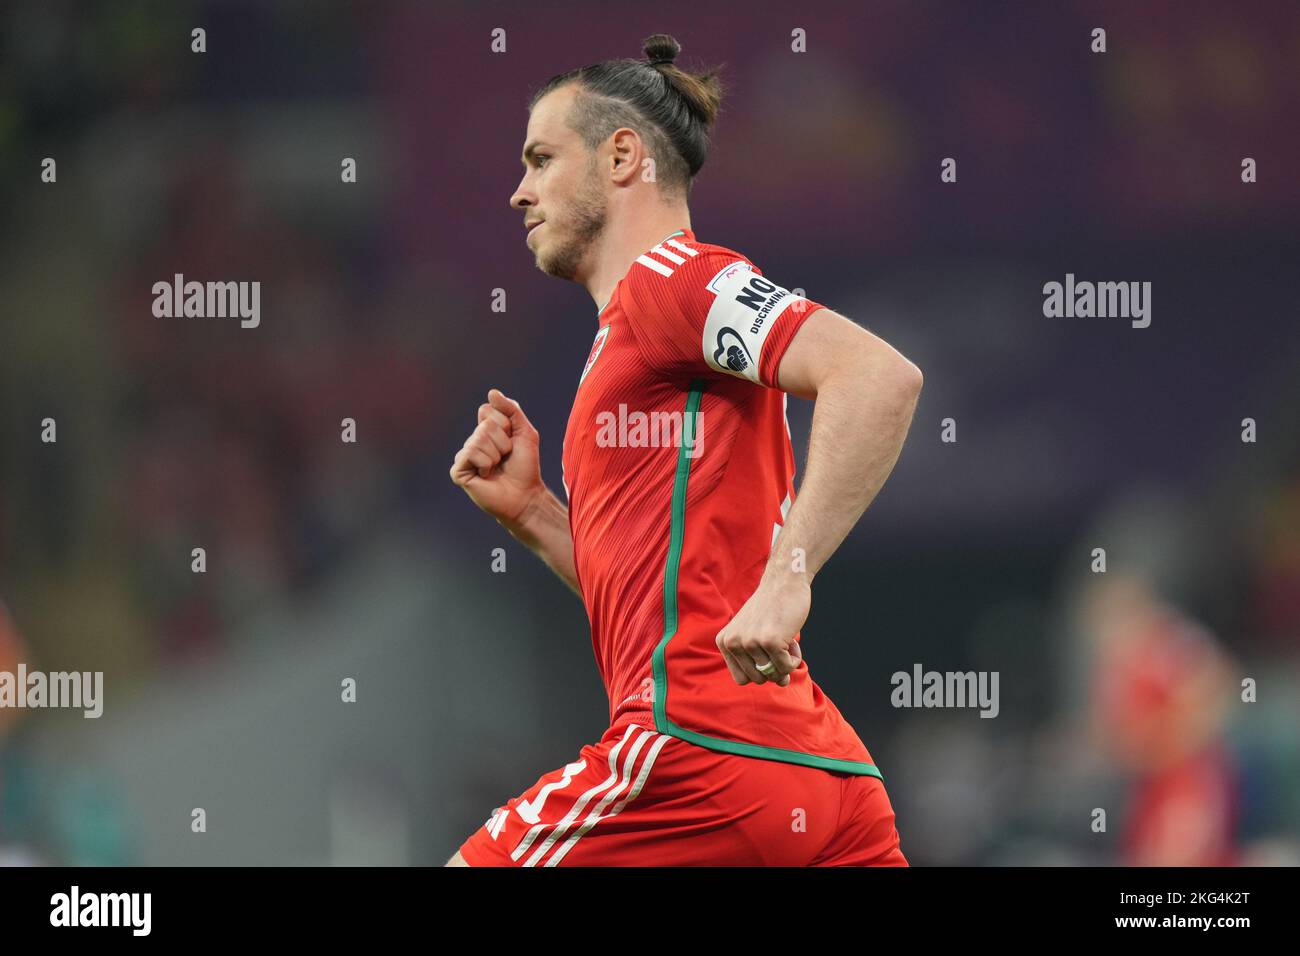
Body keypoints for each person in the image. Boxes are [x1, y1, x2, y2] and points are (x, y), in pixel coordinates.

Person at [447, 34, 922, 866]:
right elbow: (667, 599)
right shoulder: (633, 336)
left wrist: (789, 577)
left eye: (542, 159)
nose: (520, 191)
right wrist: (537, 515)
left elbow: (878, 377)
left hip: (699, 749)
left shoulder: (672, 281)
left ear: (622, 156)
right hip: (819, 774)